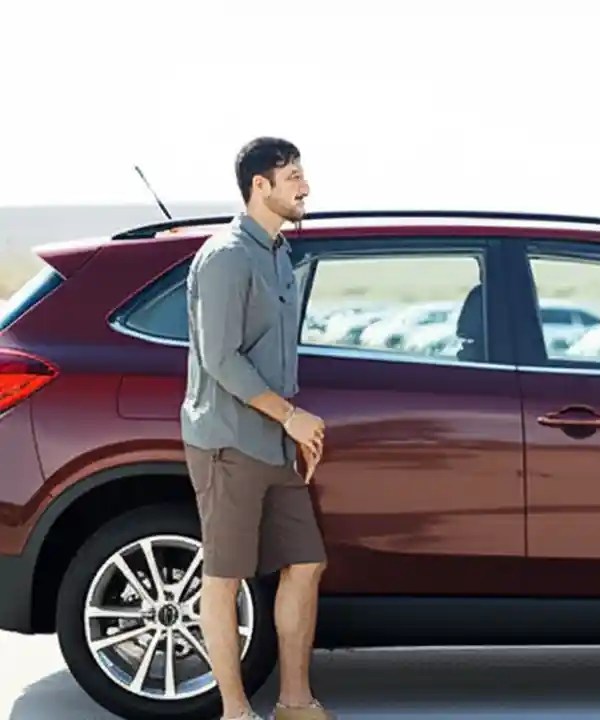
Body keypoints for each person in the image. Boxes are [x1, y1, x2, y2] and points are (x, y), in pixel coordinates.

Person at [182, 137, 332, 720]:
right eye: (292, 175)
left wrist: (289, 425)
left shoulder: (278, 254)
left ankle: (295, 703)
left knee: (306, 561)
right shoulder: (225, 257)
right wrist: (291, 415)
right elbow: (220, 358)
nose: (305, 185)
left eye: (302, 173)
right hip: (227, 442)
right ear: (259, 186)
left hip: (272, 441)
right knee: (225, 576)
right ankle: (236, 712)